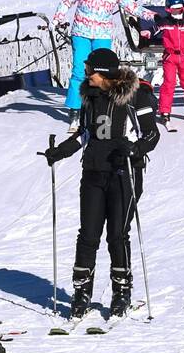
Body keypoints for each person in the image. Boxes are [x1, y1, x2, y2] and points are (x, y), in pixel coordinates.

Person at [42, 48, 159, 319]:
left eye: (90, 70)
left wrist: (135, 149)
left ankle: (121, 291)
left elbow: (152, 134)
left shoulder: (134, 95)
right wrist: (60, 151)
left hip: (123, 173)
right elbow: (85, 133)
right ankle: (81, 293)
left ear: (103, 73)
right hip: (94, 172)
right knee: (88, 235)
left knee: (117, 235)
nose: (86, 74)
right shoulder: (90, 97)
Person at [53, 0, 154, 132]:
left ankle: (101, 105)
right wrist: (58, 18)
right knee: (79, 70)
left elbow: (130, 5)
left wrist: (151, 16)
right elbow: (67, 1)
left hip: (102, 34)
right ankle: (75, 112)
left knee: (104, 72)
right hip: (81, 33)